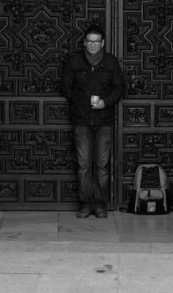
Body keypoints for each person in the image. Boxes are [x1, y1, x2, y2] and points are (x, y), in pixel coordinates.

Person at [62, 25, 125, 218]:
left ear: (102, 43)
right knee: (83, 164)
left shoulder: (111, 63)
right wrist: (83, 103)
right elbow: (66, 88)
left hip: (104, 121)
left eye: (96, 41)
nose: (93, 44)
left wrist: (105, 102)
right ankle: (85, 204)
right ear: (84, 43)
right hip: (81, 120)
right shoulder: (75, 62)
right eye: (89, 41)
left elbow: (119, 88)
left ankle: (99, 204)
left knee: (102, 165)